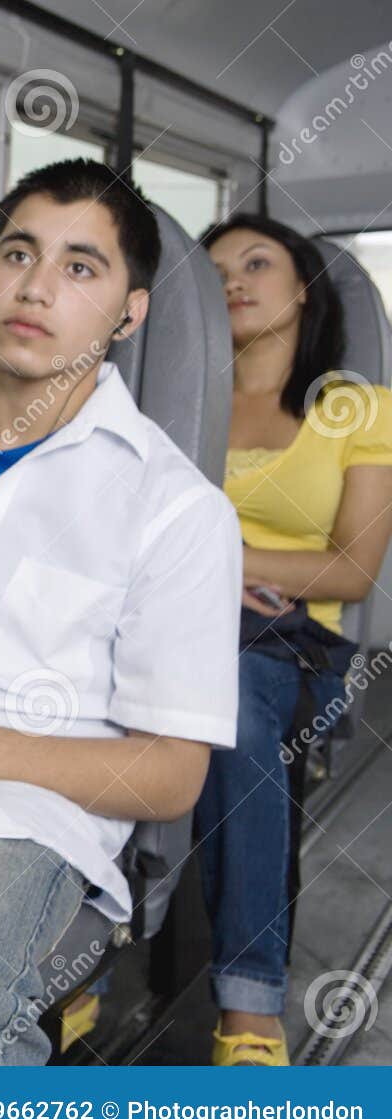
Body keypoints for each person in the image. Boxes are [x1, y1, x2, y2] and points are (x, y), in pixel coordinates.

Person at [0, 159, 242, 1065]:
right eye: (18, 253)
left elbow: (170, 777)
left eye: (80, 267)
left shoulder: (174, 506)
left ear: (131, 314)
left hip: (20, 813)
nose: (35, 286)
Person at [196, 214, 392, 1065]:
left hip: (289, 640)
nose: (233, 278)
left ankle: (250, 1005)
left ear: (304, 289)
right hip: (175, 614)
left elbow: (351, 569)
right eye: (217, 269)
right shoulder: (180, 393)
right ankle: (76, 958)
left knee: (230, 704)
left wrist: (221, 557)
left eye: (257, 263)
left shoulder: (358, 408)